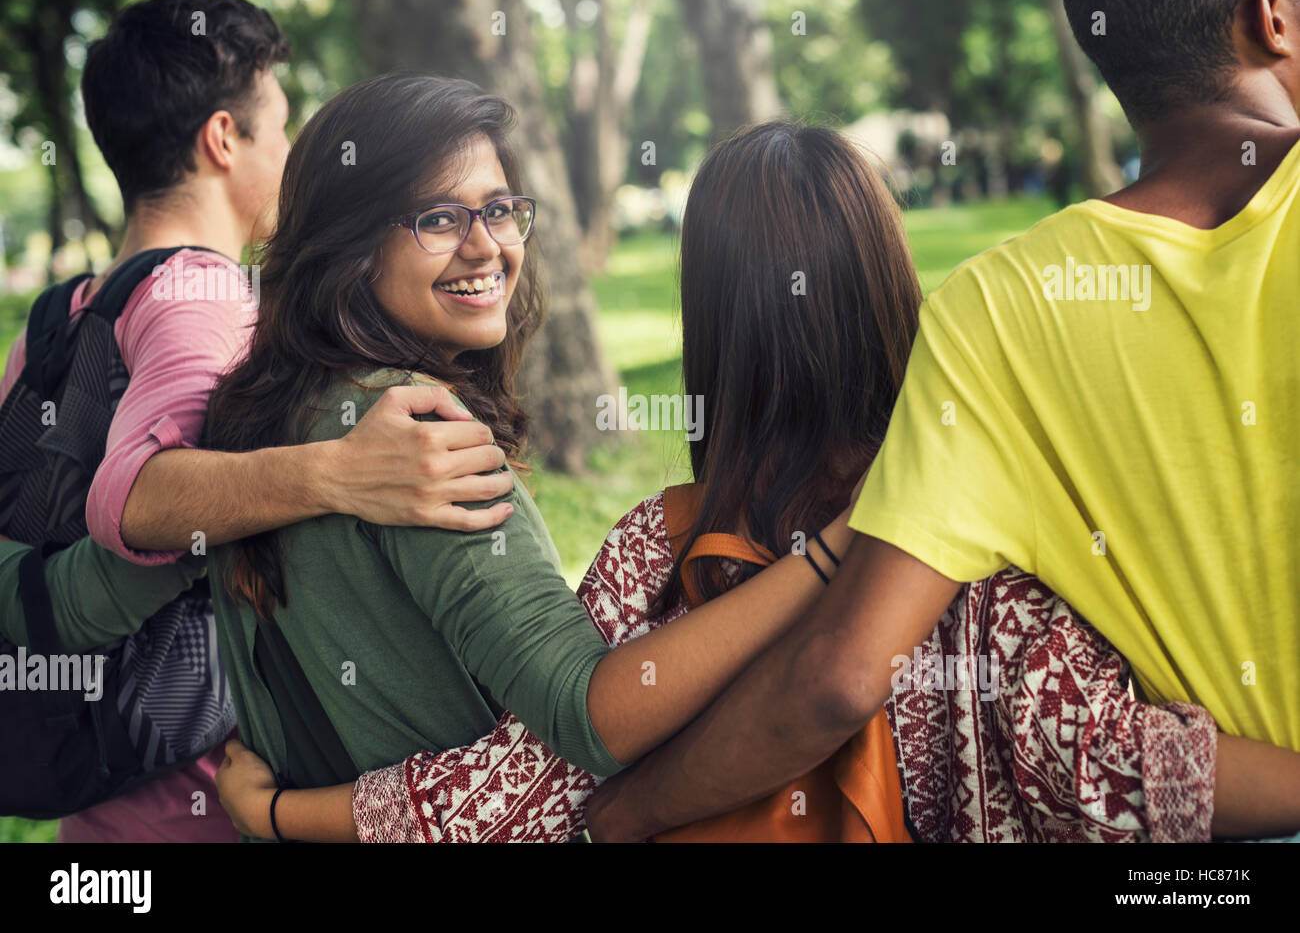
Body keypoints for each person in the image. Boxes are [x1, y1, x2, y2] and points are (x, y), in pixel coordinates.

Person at [215, 122, 1297, 844]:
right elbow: (1113, 765)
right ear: (888, 282)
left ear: (710, 323)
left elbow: (517, 795)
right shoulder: (983, 532)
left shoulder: (656, 549)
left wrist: (277, 815)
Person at [580, 0, 1300, 843]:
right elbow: (1115, 756)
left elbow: (840, 678)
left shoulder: (998, 309)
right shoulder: (1000, 604)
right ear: (1273, 13)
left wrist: (620, 816)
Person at [196, 75, 883, 845]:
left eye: (499, 208)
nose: (486, 244)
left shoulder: (266, 418)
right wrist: (830, 554)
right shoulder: (415, 433)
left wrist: (277, 816)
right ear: (349, 247)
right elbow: (584, 717)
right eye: (437, 218)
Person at [0, 0, 512, 843]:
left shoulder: (61, 313)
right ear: (223, 138)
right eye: (281, 129)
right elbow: (134, 496)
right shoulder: (206, 294)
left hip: (101, 803)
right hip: (208, 791)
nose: (291, 153)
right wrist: (342, 471)